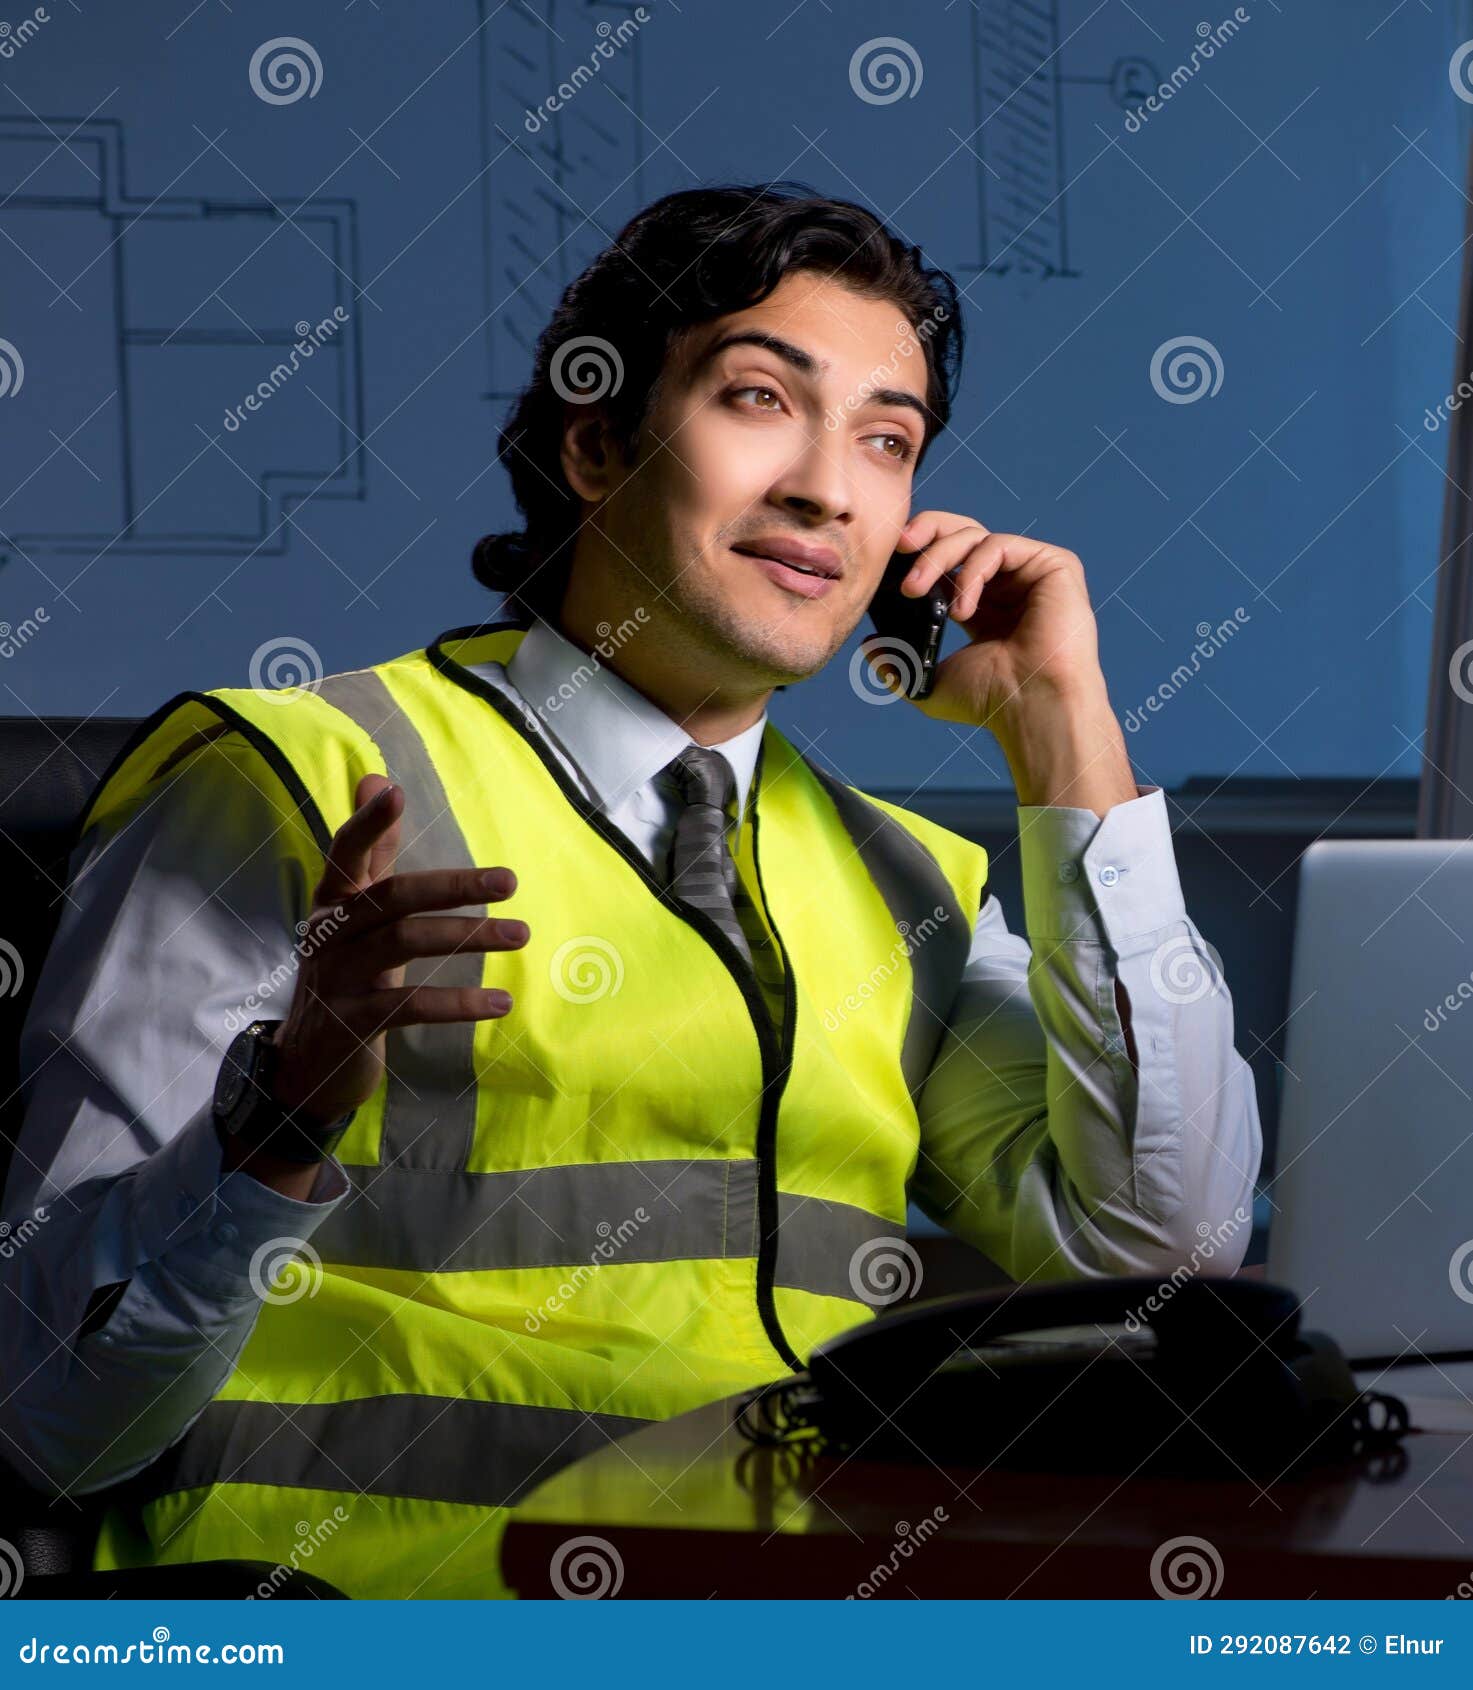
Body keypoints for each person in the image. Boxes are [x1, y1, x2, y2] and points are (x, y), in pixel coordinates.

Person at [0, 182, 1261, 1599]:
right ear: (595, 444)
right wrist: (281, 1109)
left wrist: (1062, 729)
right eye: (756, 399)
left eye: (886, 440)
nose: (827, 487)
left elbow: (1170, 1248)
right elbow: (54, 1415)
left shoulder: (907, 880)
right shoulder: (303, 778)